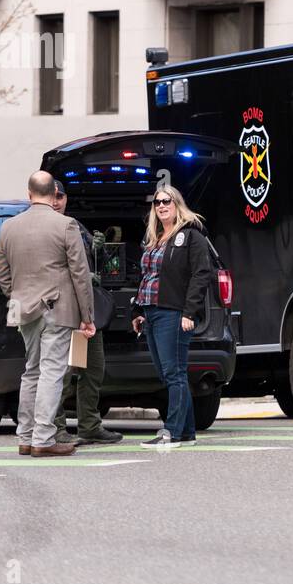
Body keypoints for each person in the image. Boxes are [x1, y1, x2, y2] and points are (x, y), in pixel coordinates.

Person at [0, 171, 95, 457]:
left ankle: (25, 437)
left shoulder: (8, 227)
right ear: (54, 195)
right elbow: (80, 273)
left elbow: (2, 273)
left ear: (29, 194)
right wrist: (87, 315)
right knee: (53, 371)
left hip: (21, 308)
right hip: (58, 307)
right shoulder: (66, 225)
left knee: (31, 371)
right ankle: (43, 437)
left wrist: (17, 295)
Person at [132, 185, 214, 448]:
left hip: (174, 312)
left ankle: (172, 432)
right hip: (152, 311)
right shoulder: (155, 238)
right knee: (168, 373)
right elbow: (147, 277)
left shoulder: (191, 236)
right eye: (157, 203)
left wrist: (189, 312)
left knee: (174, 373)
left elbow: (201, 275)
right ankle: (187, 432)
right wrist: (139, 310)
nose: (161, 206)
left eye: (167, 201)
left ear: (178, 204)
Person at [51, 180, 122, 445]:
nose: (57, 201)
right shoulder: (47, 229)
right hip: (64, 312)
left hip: (87, 313)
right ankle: (56, 428)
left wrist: (99, 251)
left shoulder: (75, 227)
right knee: (65, 373)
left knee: (92, 370)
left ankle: (90, 425)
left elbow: (100, 265)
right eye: (53, 196)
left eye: (61, 196)